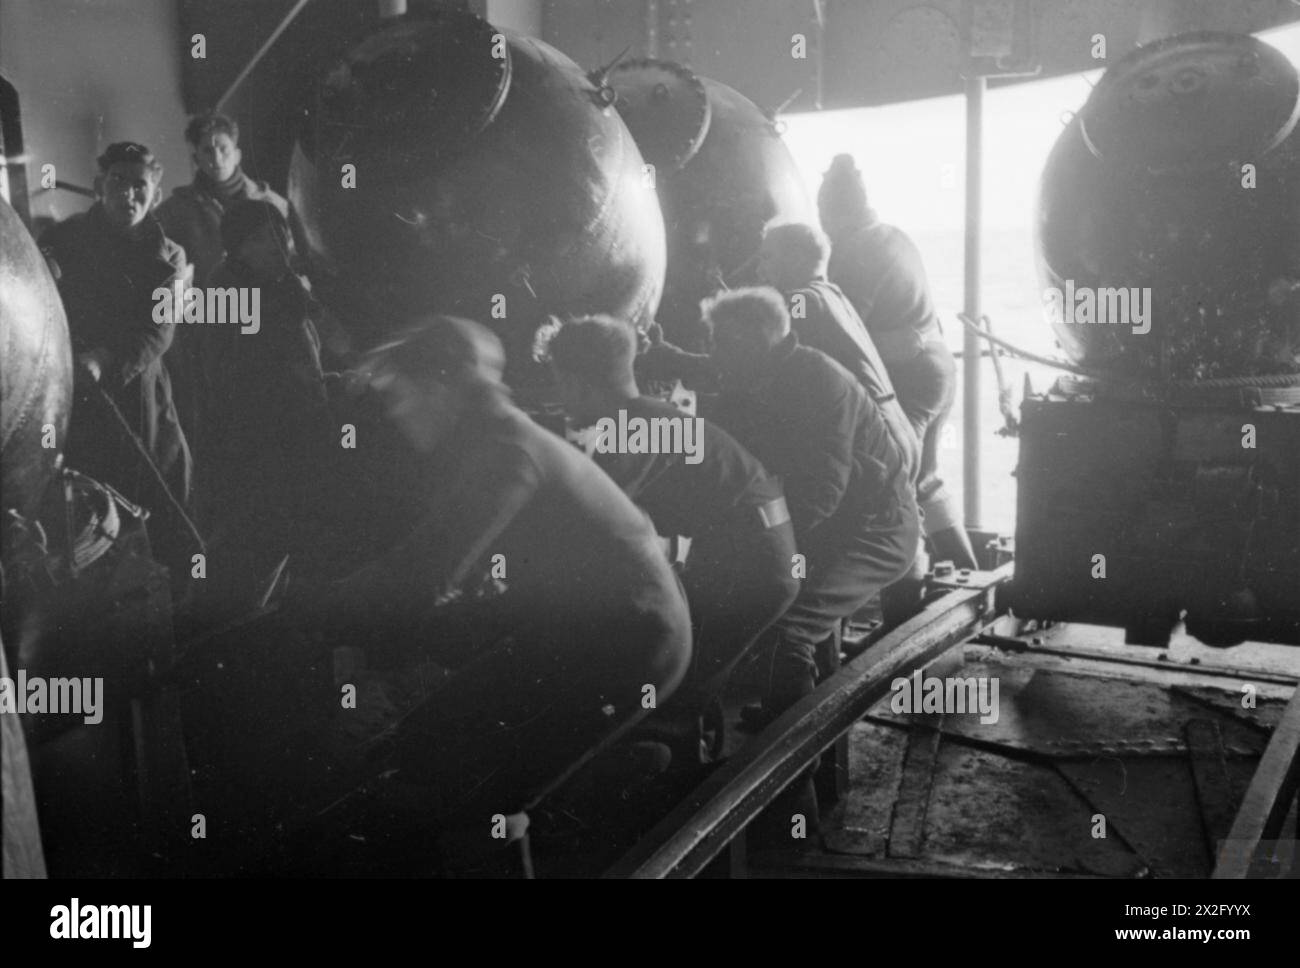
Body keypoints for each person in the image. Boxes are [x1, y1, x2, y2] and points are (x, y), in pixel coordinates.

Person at [322, 315, 693, 828]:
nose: (397, 413)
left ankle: (572, 794)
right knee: (424, 738)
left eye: (401, 396)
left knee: (473, 792)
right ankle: (601, 773)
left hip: (626, 645)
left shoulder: (506, 451)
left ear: (441, 388)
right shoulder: (488, 438)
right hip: (581, 629)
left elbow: (426, 576)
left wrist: (311, 617)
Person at [543, 314, 799, 733]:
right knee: (673, 679)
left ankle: (691, 778)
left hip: (754, 569)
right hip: (760, 557)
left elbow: (588, 520)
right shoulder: (645, 417)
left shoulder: (631, 429)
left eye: (558, 382)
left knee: (665, 692)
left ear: (575, 383)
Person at [702, 288, 919, 719]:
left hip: (875, 531)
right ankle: (787, 713)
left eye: (720, 343)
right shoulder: (751, 377)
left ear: (754, 343)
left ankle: (799, 775)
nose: (713, 353)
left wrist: (762, 549)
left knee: (786, 632)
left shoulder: (820, 382)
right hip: (829, 530)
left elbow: (822, 491)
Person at [40, 142, 195, 574]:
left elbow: (157, 332)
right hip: (79, 402)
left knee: (162, 495)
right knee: (93, 514)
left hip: (141, 399)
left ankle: (175, 597)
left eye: (139, 185)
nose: (129, 194)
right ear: (98, 188)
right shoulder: (61, 240)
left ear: (156, 194)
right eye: (117, 182)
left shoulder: (171, 257)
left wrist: (105, 359)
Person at [817, 154, 978, 570]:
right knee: (926, 477)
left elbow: (848, 330)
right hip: (938, 367)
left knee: (896, 484)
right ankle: (965, 572)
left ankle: (904, 600)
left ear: (832, 212)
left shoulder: (855, 251)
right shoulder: (893, 236)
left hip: (909, 378)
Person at [196, 199, 330, 612]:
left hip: (297, 436)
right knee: (251, 549)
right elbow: (229, 377)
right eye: (260, 239)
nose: (277, 245)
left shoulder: (284, 283)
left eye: (281, 233)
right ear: (237, 249)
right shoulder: (223, 291)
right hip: (254, 447)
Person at [156, 112, 297, 462]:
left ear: (237, 153)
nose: (215, 158)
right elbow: (161, 271)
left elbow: (295, 266)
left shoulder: (271, 204)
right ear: (196, 157)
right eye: (206, 150)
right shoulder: (175, 211)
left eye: (222, 148)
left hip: (269, 328)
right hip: (212, 332)